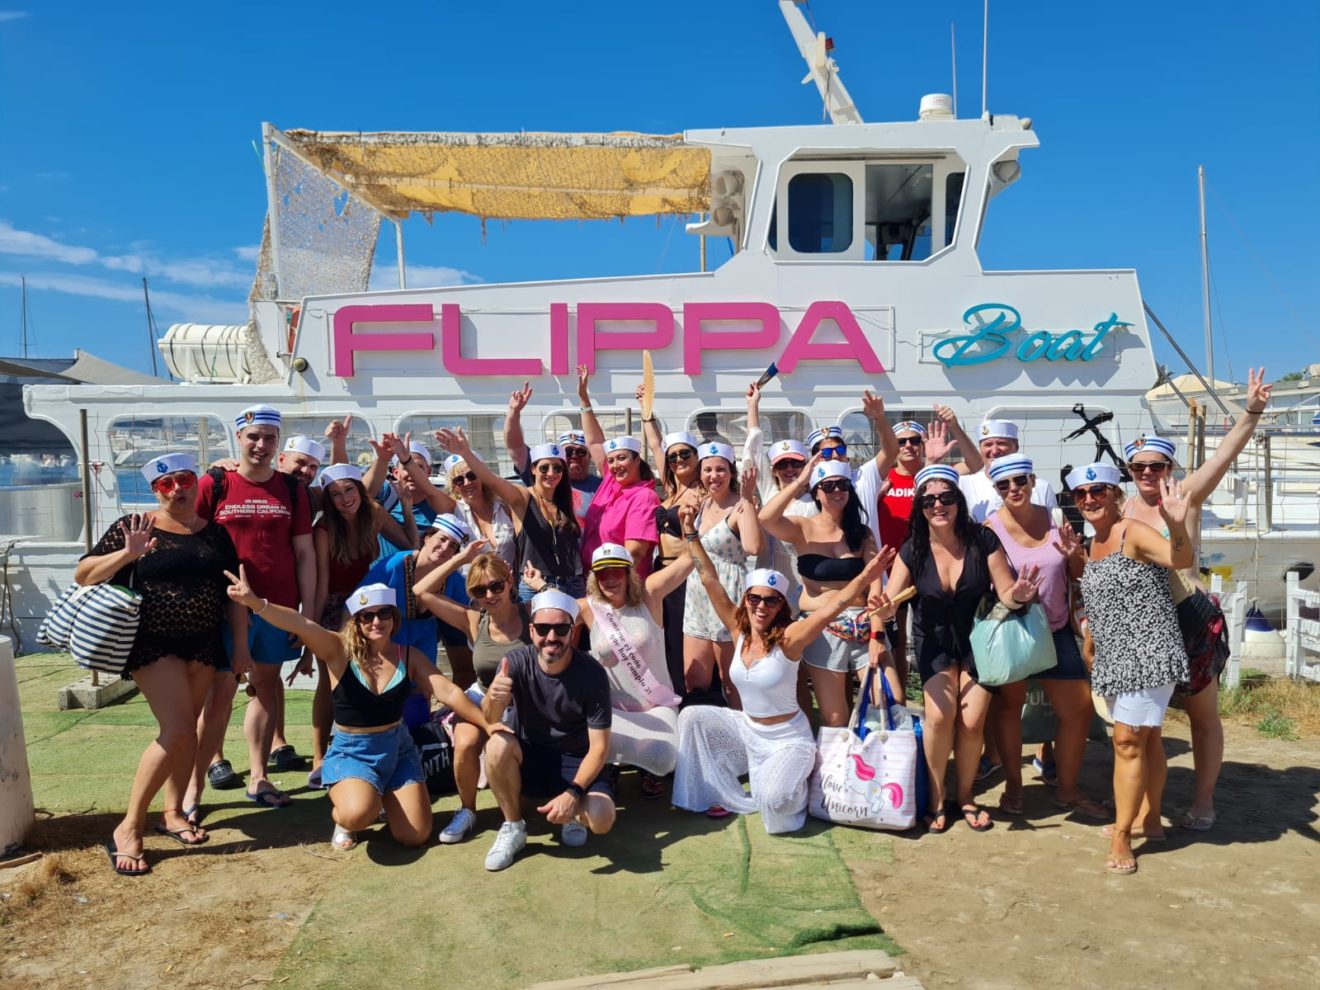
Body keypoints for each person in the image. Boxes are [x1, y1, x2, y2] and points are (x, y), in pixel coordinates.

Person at [224, 574, 500, 850]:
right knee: (357, 815)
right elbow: (301, 624)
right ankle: (345, 818)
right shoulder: (338, 649)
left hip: (398, 748)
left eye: (383, 614)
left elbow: (448, 692)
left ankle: (377, 796)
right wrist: (256, 603)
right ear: (356, 621)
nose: (376, 622)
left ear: (394, 618)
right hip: (352, 751)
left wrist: (488, 725)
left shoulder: (409, 655)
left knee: (414, 836)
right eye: (366, 616)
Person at [1121, 367, 1271, 832]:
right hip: (1143, 628)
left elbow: (1224, 455)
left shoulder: (1186, 493)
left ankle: (1204, 800)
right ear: (1129, 471)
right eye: (1139, 467)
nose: (1148, 474)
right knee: (1147, 725)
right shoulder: (1122, 506)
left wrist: (1250, 413)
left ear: (1170, 469)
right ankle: (1148, 807)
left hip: (1189, 619)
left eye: (1156, 466)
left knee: (1203, 716)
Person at [83, 453, 243, 876]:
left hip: (204, 644)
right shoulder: (135, 526)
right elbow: (83, 575)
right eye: (166, 484)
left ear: (195, 482)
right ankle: (129, 826)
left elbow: (235, 593)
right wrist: (128, 554)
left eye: (184, 479)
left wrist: (240, 646)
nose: (177, 489)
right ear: (156, 490)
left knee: (187, 733)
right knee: (175, 730)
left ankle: (172, 812)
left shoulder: (217, 534)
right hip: (154, 645)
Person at [674, 542, 890, 832]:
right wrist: (691, 533)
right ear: (746, 600)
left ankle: (802, 781)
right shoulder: (739, 632)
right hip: (747, 730)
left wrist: (866, 577)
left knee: (773, 802)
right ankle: (720, 792)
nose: (761, 606)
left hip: (788, 741)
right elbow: (709, 579)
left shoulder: (790, 639)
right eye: (755, 599)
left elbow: (832, 607)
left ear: (781, 606)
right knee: (692, 716)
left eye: (771, 600)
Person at [874, 464, 1043, 834]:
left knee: (971, 721)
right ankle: (936, 798)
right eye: (930, 499)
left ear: (958, 501)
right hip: (933, 642)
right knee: (937, 718)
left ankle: (964, 795)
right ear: (920, 507)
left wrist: (1019, 597)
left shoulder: (983, 540)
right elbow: (889, 600)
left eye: (947, 497)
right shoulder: (913, 550)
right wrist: (883, 616)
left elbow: (1006, 594)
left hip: (980, 641)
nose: (939, 505)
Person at [1063, 463, 1192, 874]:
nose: (1089, 499)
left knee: (1126, 742)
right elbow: (1097, 596)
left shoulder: (1133, 531)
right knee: (1147, 740)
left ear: (1116, 495)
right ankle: (1150, 821)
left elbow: (1180, 556)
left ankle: (1122, 833)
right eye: (1081, 493)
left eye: (1097, 490)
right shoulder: (1093, 542)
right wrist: (1090, 638)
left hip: (1151, 652)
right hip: (1114, 656)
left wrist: (1177, 523)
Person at [189, 404, 314, 812]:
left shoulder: (292, 489)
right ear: (239, 438)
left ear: (278, 443)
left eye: (269, 437)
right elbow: (192, 538)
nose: (260, 444)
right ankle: (195, 789)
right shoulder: (216, 483)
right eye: (253, 436)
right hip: (225, 608)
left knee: (265, 686)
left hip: (276, 607)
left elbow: (304, 555)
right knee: (220, 690)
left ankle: (259, 777)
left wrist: (306, 615)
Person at [982, 456, 1108, 820]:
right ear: (996, 490)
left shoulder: (1055, 519)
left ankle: (1067, 790)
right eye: (1003, 485)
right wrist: (1016, 595)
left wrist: (1074, 557)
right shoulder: (989, 528)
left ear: (1033, 480)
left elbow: (1079, 572)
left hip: (1055, 630)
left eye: (1019, 480)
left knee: (1079, 710)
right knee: (1009, 711)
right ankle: (1014, 787)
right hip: (1014, 630)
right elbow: (997, 584)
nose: (1013, 489)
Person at [481, 590, 616, 871]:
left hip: (576, 759)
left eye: (561, 628)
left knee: (603, 820)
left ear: (572, 631)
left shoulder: (592, 674)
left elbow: (600, 748)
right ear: (532, 631)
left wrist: (574, 793)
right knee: (495, 744)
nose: (551, 637)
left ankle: (569, 812)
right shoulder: (514, 662)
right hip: (530, 754)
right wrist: (493, 698)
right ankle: (513, 826)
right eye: (543, 629)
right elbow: (491, 718)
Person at [307, 463, 418, 788]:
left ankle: (370, 751)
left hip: (369, 607)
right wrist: (316, 628)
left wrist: (408, 511)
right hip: (335, 607)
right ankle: (319, 757)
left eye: (349, 490)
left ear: (359, 488)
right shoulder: (324, 529)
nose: (344, 499)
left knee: (370, 677)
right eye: (335, 494)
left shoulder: (376, 514)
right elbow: (322, 582)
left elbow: (410, 548)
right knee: (332, 685)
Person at [760, 457, 893, 726]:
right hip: (822, 627)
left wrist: (877, 633)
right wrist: (800, 480)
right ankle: (838, 766)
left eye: (842, 485)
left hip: (863, 625)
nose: (836, 491)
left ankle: (879, 763)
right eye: (828, 485)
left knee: (889, 702)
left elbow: (875, 584)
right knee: (835, 718)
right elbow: (766, 517)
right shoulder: (802, 527)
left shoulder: (862, 533)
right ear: (816, 492)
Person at [412, 547, 532, 845]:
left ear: (510, 582)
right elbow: (420, 590)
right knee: (465, 742)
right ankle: (467, 810)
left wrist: (542, 586)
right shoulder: (473, 619)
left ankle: (518, 811)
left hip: (525, 702)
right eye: (479, 589)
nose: (489, 595)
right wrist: (460, 560)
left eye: (495, 585)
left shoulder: (533, 613)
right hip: (481, 697)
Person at [569, 543, 693, 797]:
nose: (610, 579)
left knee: (663, 759)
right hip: (614, 713)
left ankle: (632, 761)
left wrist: (690, 528)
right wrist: (538, 586)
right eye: (603, 573)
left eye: (617, 571)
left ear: (628, 573)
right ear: (594, 577)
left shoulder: (650, 595)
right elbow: (547, 614)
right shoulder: (587, 607)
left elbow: (689, 561)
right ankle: (613, 763)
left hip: (655, 707)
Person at [872, 408, 983, 684]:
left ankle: (931, 687)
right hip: (895, 569)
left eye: (914, 440)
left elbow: (975, 463)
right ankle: (900, 696)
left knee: (934, 634)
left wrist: (954, 426)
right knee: (894, 636)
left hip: (930, 570)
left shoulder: (937, 478)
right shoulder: (881, 479)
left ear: (922, 445)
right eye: (901, 441)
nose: (908, 445)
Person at [435, 428, 582, 599]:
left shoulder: (564, 500)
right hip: (535, 582)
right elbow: (492, 480)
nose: (551, 473)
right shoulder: (523, 496)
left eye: (557, 468)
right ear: (533, 470)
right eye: (544, 468)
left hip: (573, 583)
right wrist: (465, 453)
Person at [682, 449, 763, 704]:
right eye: (707, 470)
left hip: (728, 592)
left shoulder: (741, 505)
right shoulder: (702, 504)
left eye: (720, 469)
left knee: (732, 680)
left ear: (731, 473)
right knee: (694, 678)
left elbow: (752, 547)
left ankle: (743, 737)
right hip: (697, 592)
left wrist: (749, 500)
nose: (713, 476)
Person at [366, 513, 475, 689]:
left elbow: (473, 607)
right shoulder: (394, 565)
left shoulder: (452, 578)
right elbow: (358, 602)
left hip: (424, 642)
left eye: (453, 546)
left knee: (421, 697)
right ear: (428, 538)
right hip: (387, 641)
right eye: (442, 539)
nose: (445, 547)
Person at [577, 367, 661, 579]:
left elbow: (634, 552)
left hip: (618, 585)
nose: (615, 465)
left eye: (622, 458)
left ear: (636, 460)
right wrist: (583, 398)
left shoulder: (644, 497)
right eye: (611, 460)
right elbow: (595, 442)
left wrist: (607, 583)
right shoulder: (610, 482)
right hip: (595, 580)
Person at [503, 381, 602, 522]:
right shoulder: (545, 478)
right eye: (568, 452)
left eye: (580, 452)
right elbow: (515, 448)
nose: (574, 456)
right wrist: (514, 413)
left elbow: (597, 443)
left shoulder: (600, 486)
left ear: (589, 456)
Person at [959, 419, 1057, 524]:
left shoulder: (1042, 487)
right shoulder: (964, 484)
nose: (995, 451)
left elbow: (1056, 528)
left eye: (1001, 443)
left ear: (1016, 446)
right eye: (988, 445)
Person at [441, 448, 519, 576]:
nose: (467, 483)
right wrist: (406, 460)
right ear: (454, 486)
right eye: (459, 480)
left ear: (482, 477)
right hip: (470, 590)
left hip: (508, 588)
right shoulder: (453, 510)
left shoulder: (504, 507)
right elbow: (428, 490)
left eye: (472, 476)